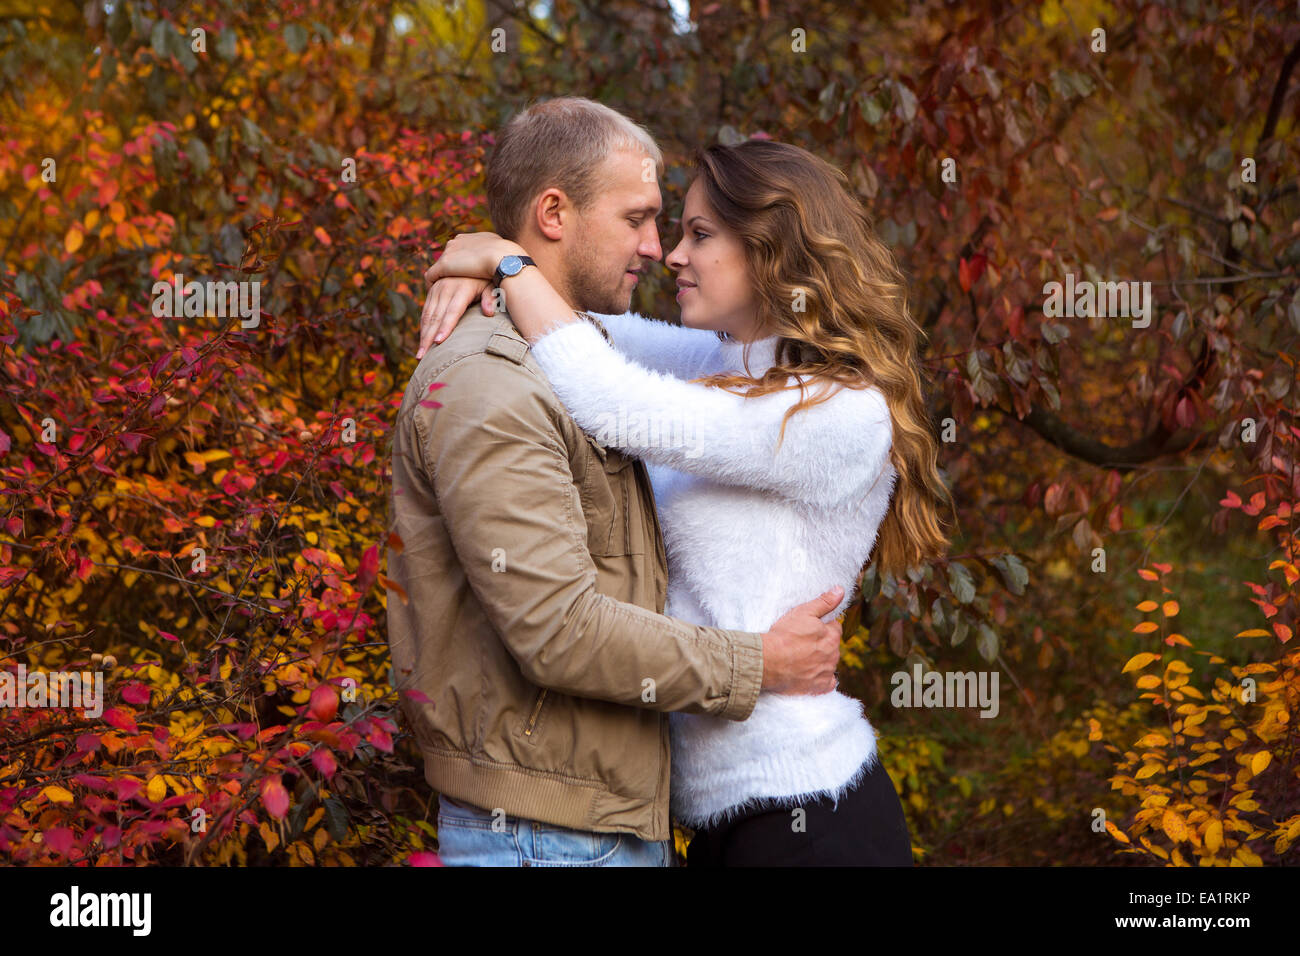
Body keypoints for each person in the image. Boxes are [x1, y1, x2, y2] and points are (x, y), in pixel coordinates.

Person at [420, 136, 953, 865]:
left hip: (810, 817)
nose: (672, 254)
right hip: (714, 824)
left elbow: (611, 400)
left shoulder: (840, 412)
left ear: (772, 250)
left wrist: (506, 263)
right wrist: (488, 261)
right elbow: (584, 331)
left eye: (700, 235)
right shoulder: (726, 365)